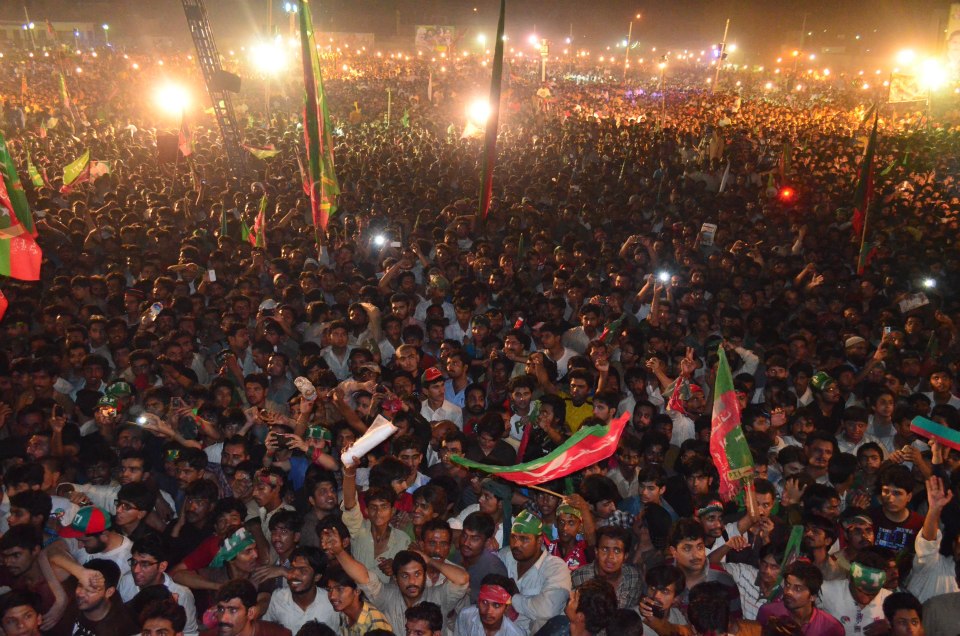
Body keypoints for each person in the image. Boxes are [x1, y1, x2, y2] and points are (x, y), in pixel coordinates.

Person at [497, 510, 573, 633]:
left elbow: (548, 610)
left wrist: (514, 598)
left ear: (539, 541)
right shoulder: (505, 556)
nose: (516, 544)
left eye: (524, 539)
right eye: (513, 537)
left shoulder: (556, 567)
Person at [116, 534, 199, 635]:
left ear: (162, 566)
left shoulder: (181, 594)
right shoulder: (126, 581)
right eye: (134, 562)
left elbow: (190, 634)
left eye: (145, 564)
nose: (136, 570)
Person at [818, 547, 893, 636]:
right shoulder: (826, 591)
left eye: (872, 593)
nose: (865, 598)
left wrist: (891, 628)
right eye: (860, 590)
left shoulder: (890, 600)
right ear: (850, 578)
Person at [756, 560, 843, 635]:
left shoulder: (831, 627)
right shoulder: (768, 612)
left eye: (798, 589)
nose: (789, 592)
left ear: (813, 596)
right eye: (787, 585)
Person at [263, 547, 337, 633]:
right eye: (292, 568)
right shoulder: (278, 598)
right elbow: (266, 630)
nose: (294, 575)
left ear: (317, 577)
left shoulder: (330, 602)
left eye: (303, 571)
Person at [571, 525, 642, 610]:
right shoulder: (580, 578)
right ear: (596, 552)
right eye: (605, 549)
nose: (610, 557)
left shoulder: (633, 578)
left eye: (617, 551)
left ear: (625, 556)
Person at [71, 558, 140, 636]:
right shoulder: (72, 602)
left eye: (90, 589)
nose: (81, 593)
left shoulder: (122, 628)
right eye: (80, 585)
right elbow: (55, 553)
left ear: (109, 592)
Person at [321, 564, 392, 636]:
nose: (332, 596)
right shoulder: (344, 613)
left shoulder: (375, 623)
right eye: (329, 589)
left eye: (340, 589)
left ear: (357, 590)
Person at [533, 578, 617, 636]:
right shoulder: (559, 622)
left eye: (575, 598)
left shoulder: (557, 628)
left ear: (580, 617)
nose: (570, 594)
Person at [205, 579, 292, 636]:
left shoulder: (278, 634)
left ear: (251, 613)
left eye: (233, 610)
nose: (223, 618)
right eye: (221, 609)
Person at [454, 574, 524, 636]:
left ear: (506, 608)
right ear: (478, 602)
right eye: (484, 602)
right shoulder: (465, 615)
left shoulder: (515, 634)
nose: (488, 611)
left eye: (496, 605)